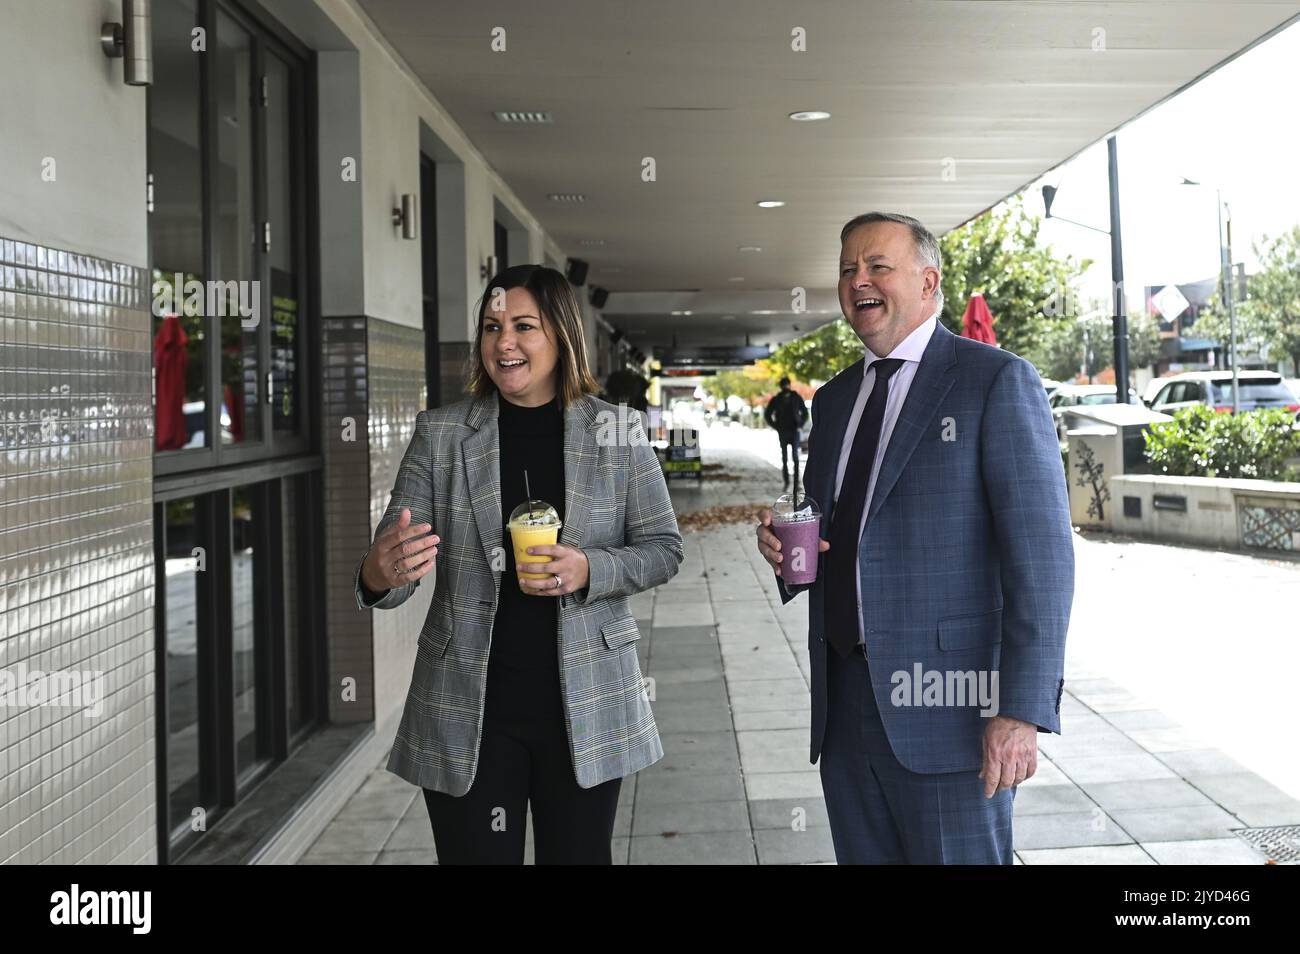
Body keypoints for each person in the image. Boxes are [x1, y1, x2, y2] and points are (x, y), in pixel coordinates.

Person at [755, 212, 1073, 864]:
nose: (858, 281)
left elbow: (1041, 560)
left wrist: (1020, 713)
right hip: (844, 707)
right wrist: (791, 558)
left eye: (877, 266)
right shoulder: (838, 397)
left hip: (952, 713)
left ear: (929, 282)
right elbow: (833, 527)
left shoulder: (995, 381)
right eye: (847, 269)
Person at [355, 264, 683, 864]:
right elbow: (390, 564)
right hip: (470, 705)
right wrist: (380, 572)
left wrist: (589, 568)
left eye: (524, 326)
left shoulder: (615, 430)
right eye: (491, 326)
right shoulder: (443, 433)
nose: (503, 342)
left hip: (586, 702)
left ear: (561, 336)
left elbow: (664, 548)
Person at [764, 376, 808, 490]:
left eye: (787, 385)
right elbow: (767, 414)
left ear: (789, 385)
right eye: (784, 385)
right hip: (783, 431)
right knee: (784, 458)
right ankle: (787, 482)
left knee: (795, 457)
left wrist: (800, 425)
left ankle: (796, 483)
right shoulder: (776, 399)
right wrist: (775, 426)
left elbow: (805, 413)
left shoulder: (796, 397)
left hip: (795, 431)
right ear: (781, 387)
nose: (785, 387)